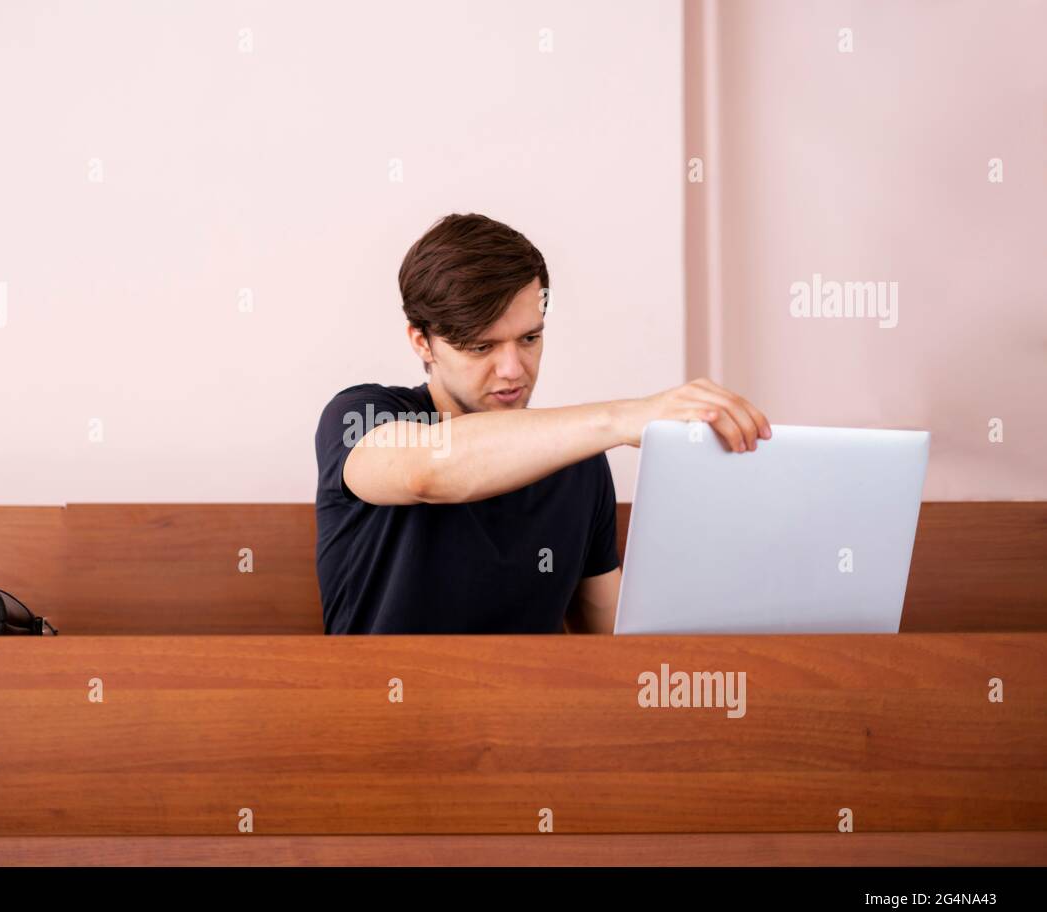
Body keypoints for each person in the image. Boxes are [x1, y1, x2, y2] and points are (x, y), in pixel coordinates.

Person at [314, 213, 771, 635]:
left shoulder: (577, 461)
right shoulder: (360, 416)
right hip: (381, 716)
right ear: (422, 342)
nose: (514, 369)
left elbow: (614, 642)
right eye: (481, 347)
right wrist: (624, 417)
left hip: (529, 721)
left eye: (530, 338)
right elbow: (426, 471)